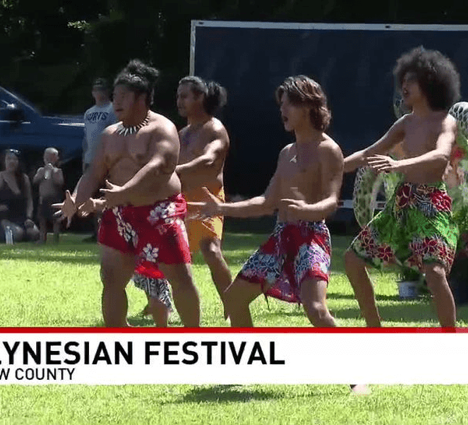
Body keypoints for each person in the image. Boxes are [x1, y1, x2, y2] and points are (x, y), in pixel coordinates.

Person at [55, 59, 201, 328]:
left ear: (142, 98)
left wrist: (125, 190)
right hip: (120, 213)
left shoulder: (162, 128)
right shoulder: (110, 134)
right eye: (115, 96)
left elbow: (157, 166)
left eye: (123, 96)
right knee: (111, 278)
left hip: (160, 212)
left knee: (180, 277)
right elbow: (94, 173)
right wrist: (76, 199)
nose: (116, 102)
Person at [191, 75, 343, 328]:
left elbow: (331, 201)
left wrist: (307, 210)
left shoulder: (328, 150)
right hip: (281, 237)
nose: (282, 110)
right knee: (234, 299)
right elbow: (266, 202)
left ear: (307, 105)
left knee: (316, 309)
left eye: (288, 104)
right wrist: (221, 208)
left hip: (311, 238)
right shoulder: (287, 153)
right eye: (280, 105)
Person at [342, 47, 461, 330]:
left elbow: (441, 156)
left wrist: (398, 166)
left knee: (434, 272)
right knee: (352, 261)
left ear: (430, 82)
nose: (404, 86)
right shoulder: (405, 123)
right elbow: (368, 154)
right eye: (402, 81)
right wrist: (332, 168)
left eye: (411, 80)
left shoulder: (446, 121)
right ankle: (375, 331)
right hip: (401, 205)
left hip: (431, 205)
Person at [135, 75, 233, 321]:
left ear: (200, 97)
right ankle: (158, 302)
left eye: (184, 96)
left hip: (207, 199)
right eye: (178, 96)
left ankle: (232, 303)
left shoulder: (215, 128)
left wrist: (174, 171)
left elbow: (209, 159)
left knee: (211, 251)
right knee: (160, 254)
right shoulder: (182, 132)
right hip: (178, 199)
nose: (179, 101)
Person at [82, 78, 117, 242]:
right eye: (96, 89)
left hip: (106, 160)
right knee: (91, 195)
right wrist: (84, 157)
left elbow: (115, 133)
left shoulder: (112, 109)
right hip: (90, 158)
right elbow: (86, 137)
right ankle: (96, 232)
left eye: (102, 89)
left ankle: (107, 231)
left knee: (105, 196)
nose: (99, 92)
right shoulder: (88, 112)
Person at [0, 149, 40, 243]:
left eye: (15, 159)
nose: (12, 162)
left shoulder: (24, 178)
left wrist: (29, 217)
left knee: (35, 233)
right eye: (9, 159)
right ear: (4, 161)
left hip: (20, 217)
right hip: (2, 218)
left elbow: (29, 201)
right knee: (17, 234)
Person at [32, 147, 64, 244]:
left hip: (54, 199)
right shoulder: (41, 170)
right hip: (43, 199)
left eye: (52, 157)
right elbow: (35, 181)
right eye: (47, 157)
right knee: (42, 220)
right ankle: (42, 238)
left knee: (56, 220)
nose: (49, 160)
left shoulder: (58, 171)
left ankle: (56, 238)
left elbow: (60, 182)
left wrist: (53, 173)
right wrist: (42, 174)